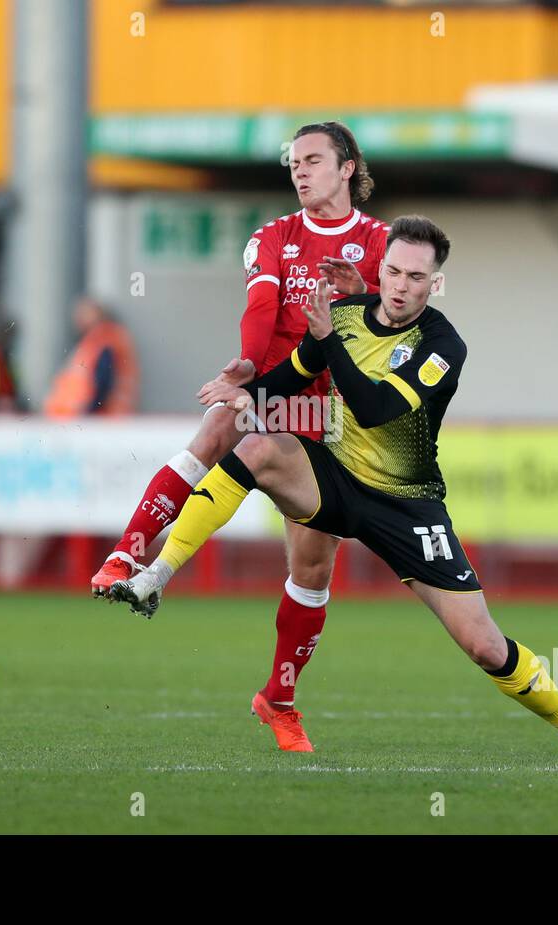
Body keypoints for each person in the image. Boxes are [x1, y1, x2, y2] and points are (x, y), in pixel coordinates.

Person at [110, 216, 558, 760]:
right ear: (382, 270)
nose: (401, 286)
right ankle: (158, 573)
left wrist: (326, 337)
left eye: (416, 277)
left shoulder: (443, 345)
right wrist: (245, 391)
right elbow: (295, 373)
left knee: (483, 644)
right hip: (337, 478)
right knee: (256, 447)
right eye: (393, 272)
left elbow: (373, 411)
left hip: (407, 505)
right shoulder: (345, 314)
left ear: (434, 283)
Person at [90, 121, 391, 753]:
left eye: (313, 160)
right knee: (220, 427)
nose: (299, 170)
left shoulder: (382, 244)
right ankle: (129, 553)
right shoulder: (273, 238)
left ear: (347, 167)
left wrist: (363, 298)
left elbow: (396, 339)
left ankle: (279, 698)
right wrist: (249, 367)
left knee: (311, 572)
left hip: (333, 419)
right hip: (272, 390)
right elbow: (260, 311)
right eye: (293, 162)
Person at [43, 297, 139, 418]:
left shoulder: (104, 339)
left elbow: (103, 381)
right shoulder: (101, 339)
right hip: (96, 420)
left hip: (98, 421)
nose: (78, 319)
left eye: (84, 313)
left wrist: (89, 413)